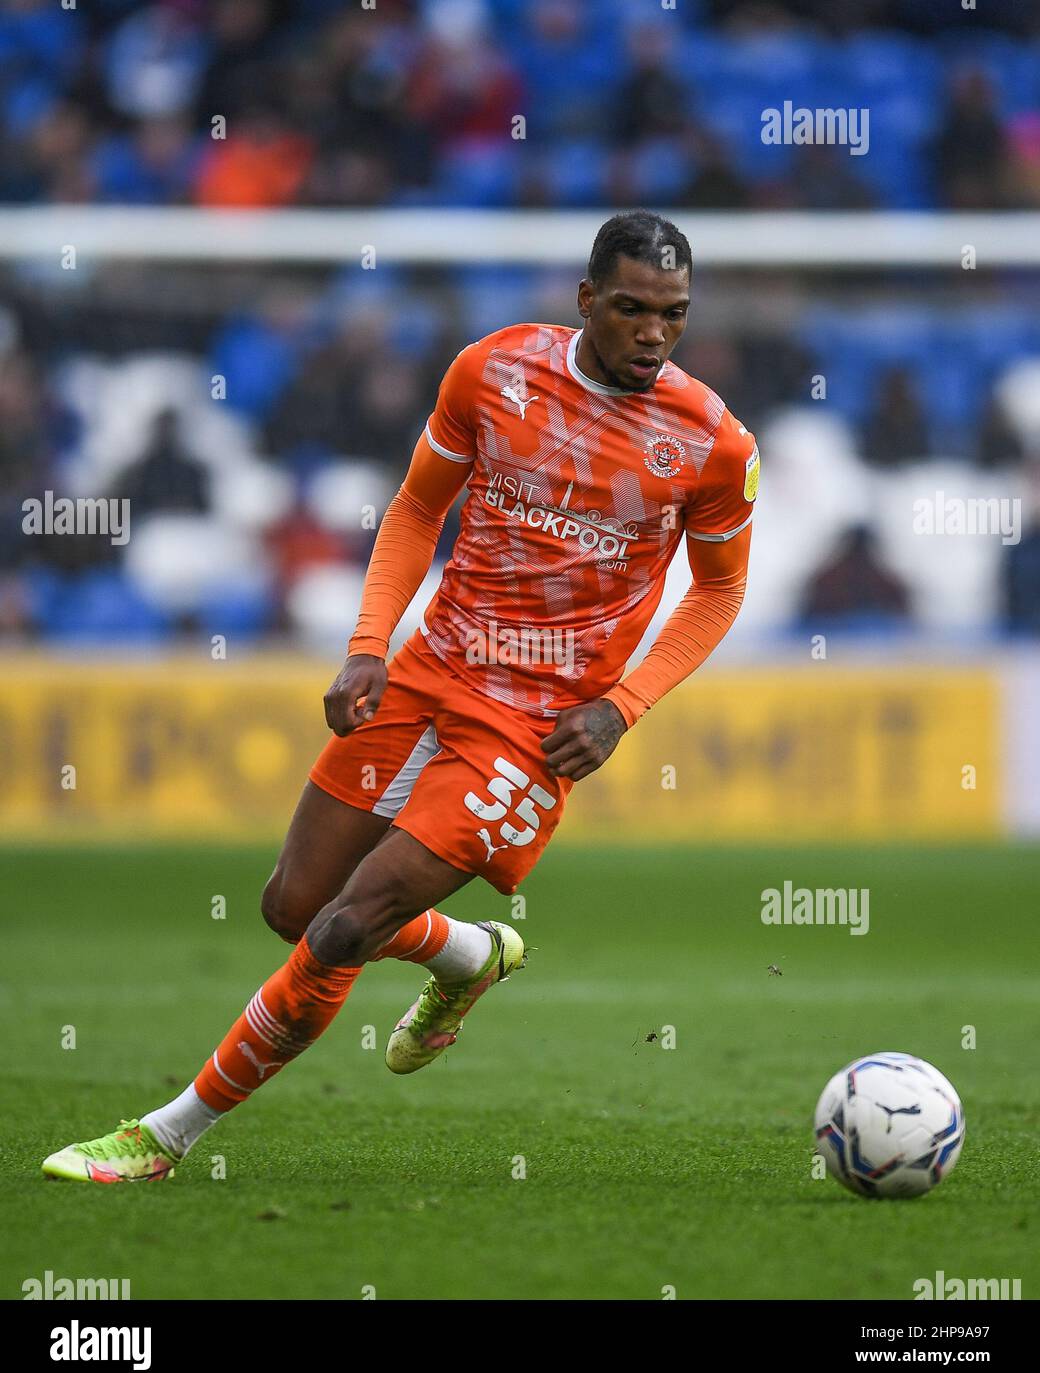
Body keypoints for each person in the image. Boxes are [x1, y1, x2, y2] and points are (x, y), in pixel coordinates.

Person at [42, 210, 758, 1182]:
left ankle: (164, 1137)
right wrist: (368, 647)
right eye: (629, 308)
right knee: (294, 906)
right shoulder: (491, 372)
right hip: (428, 670)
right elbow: (419, 504)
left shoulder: (710, 442)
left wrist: (622, 705)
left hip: (532, 732)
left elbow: (716, 589)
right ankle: (465, 955)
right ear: (586, 300)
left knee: (346, 926)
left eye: (669, 314)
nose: (650, 333)